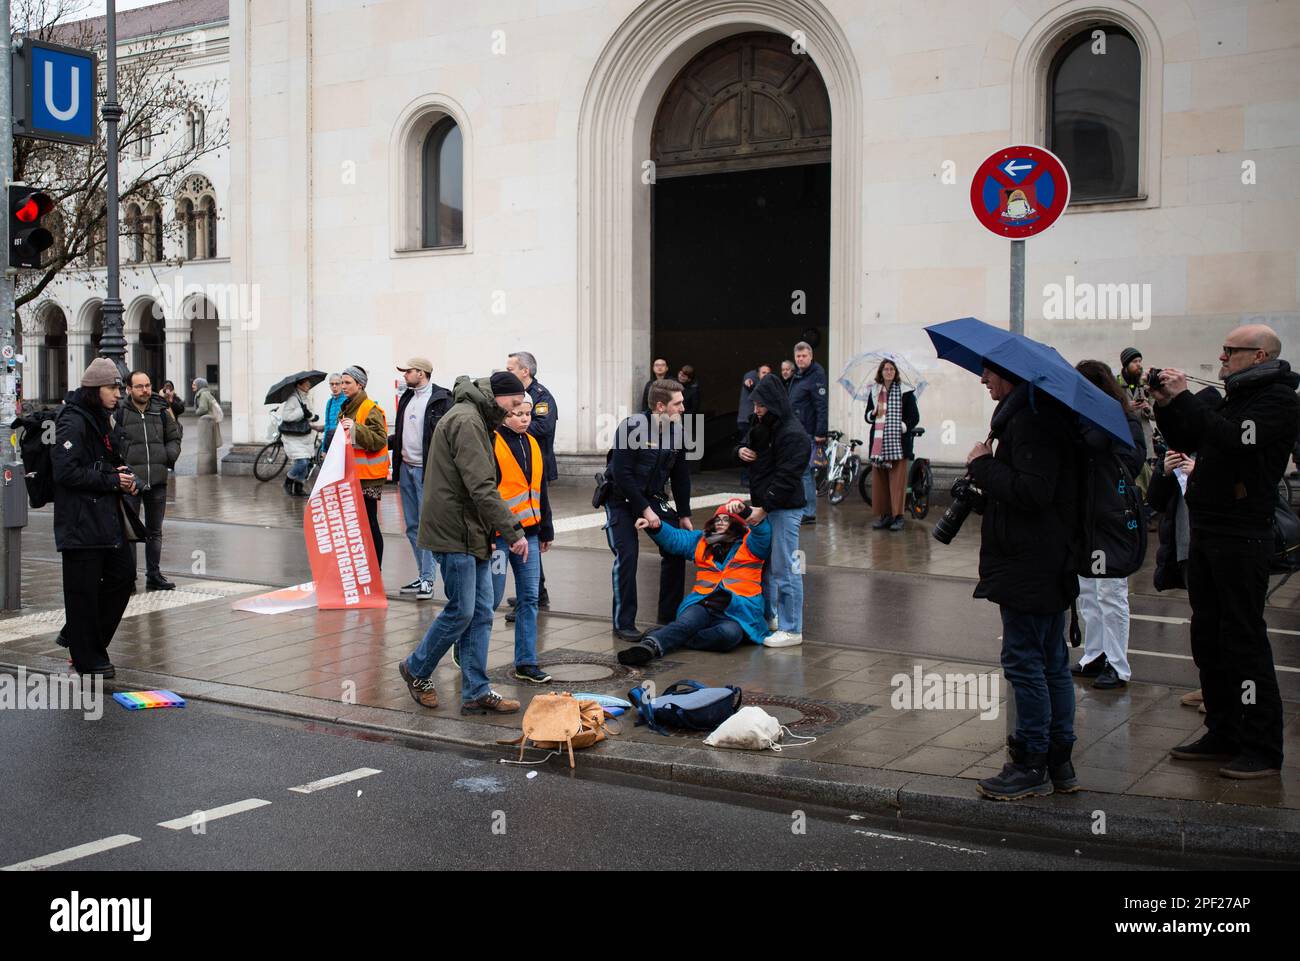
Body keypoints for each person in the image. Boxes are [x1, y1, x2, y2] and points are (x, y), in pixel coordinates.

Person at [1152, 324, 1299, 779]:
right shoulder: (1237, 395)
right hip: (1210, 530)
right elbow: (1191, 438)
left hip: (1243, 535)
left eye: (1229, 351)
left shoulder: (1278, 400)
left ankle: (1261, 745)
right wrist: (1167, 406)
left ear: (1259, 356)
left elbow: (1238, 439)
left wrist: (1186, 400)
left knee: (1244, 642)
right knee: (1209, 638)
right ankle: (1223, 730)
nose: (1221, 358)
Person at [965, 361, 1080, 801]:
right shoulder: (1039, 416)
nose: (982, 380)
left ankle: (1030, 764)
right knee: (1051, 663)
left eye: (989, 372)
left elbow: (1034, 492)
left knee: (1025, 664)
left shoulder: (1031, 421)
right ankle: (1058, 762)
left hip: (1030, 565)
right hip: (1043, 561)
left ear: (1011, 374)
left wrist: (981, 465)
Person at [397, 372, 530, 715]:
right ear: (497, 396)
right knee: (463, 610)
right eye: (514, 404)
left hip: (473, 530)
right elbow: (481, 487)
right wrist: (514, 532)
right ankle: (417, 667)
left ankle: (475, 691)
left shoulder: (478, 415)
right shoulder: (468, 420)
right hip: (453, 530)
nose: (517, 411)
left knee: (482, 611)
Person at [53, 359, 139, 678]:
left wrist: (125, 477)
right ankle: (86, 657)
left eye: (119, 387)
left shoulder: (101, 419)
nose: (118, 394)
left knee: (123, 576)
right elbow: (66, 472)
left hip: (103, 517)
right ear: (93, 390)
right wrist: (111, 480)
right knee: (83, 592)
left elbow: (106, 461)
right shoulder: (73, 421)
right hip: (79, 522)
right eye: (112, 388)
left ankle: (82, 639)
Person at [1070, 359, 1146, 691]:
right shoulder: (1082, 417)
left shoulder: (1119, 415)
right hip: (1086, 512)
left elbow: (1133, 459)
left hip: (1111, 513)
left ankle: (1118, 664)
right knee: (1088, 589)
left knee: (1111, 592)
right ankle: (1095, 654)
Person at [618, 501, 771, 665]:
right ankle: (649, 647)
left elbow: (762, 532)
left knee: (728, 636)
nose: (720, 522)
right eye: (717, 519)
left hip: (738, 612)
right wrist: (655, 526)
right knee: (686, 623)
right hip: (702, 604)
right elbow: (674, 538)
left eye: (726, 519)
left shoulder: (751, 543)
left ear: (737, 523)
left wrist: (746, 511)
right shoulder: (701, 540)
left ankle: (673, 636)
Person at [605, 378, 694, 640]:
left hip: (653, 497)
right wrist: (644, 509)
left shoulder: (677, 431)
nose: (683, 408)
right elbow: (621, 474)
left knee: (675, 550)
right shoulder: (632, 427)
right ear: (659, 406)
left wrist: (685, 514)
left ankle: (669, 618)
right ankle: (624, 624)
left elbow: (680, 476)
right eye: (677, 404)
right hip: (621, 498)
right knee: (627, 556)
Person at [737, 372, 809, 647]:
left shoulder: (792, 433)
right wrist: (740, 451)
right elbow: (747, 443)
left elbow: (787, 476)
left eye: (761, 405)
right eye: (755, 404)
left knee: (786, 567)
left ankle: (792, 629)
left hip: (782, 509)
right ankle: (773, 618)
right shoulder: (765, 424)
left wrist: (764, 508)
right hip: (766, 506)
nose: (756, 410)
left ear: (774, 404)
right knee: (767, 567)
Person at [490, 399, 554, 684]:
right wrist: (491, 535)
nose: (525, 419)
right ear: (504, 417)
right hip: (501, 536)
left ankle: (526, 663)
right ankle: (465, 647)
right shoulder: (492, 442)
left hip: (528, 533)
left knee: (529, 598)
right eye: (518, 415)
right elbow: (486, 492)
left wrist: (545, 530)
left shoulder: (533, 444)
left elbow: (540, 489)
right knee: (490, 599)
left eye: (528, 414)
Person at [389, 358, 452, 600]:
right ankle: (422, 574)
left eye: (408, 371)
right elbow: (405, 433)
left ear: (421, 373)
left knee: (427, 526)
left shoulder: (441, 399)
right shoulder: (408, 398)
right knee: (413, 526)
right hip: (406, 468)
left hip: (428, 471)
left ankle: (428, 579)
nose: (404, 375)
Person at [504, 351, 556, 614]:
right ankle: (534, 590)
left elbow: (543, 427)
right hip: (516, 469)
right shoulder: (513, 397)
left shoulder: (540, 395)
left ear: (525, 371)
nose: (507, 371)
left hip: (535, 467)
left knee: (532, 531)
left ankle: (536, 592)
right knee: (525, 532)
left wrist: (517, 429)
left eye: (511, 368)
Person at [120, 370, 182, 590]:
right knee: (129, 531)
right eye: (139, 386)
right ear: (129, 389)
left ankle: (153, 575)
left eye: (147, 385)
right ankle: (128, 577)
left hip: (157, 480)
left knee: (154, 531)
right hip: (130, 482)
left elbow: (174, 436)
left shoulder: (161, 409)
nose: (145, 390)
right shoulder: (120, 412)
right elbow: (111, 441)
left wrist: (168, 456)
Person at [337, 366, 390, 566]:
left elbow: (379, 439)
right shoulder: (347, 407)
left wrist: (356, 428)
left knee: (369, 523)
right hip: (353, 475)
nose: (343, 386)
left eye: (347, 382)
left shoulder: (369, 408)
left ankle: (376, 570)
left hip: (368, 476)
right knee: (356, 526)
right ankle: (362, 569)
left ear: (360, 385)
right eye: (342, 382)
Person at [865, 358, 920, 531]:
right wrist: (872, 413)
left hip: (898, 443)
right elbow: (867, 417)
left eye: (891, 369)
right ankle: (885, 516)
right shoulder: (874, 392)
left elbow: (914, 416)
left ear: (895, 372)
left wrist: (903, 426)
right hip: (878, 445)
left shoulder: (905, 392)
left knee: (897, 483)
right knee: (880, 483)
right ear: (880, 372)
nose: (888, 372)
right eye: (885, 369)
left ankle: (898, 516)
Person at [787, 341, 828, 525]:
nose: (801, 359)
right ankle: (802, 508)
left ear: (811, 356)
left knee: (805, 473)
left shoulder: (816, 376)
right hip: (797, 431)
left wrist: (820, 432)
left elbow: (821, 406)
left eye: (804, 356)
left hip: (808, 432)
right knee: (801, 472)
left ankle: (809, 512)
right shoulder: (798, 375)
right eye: (798, 356)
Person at [1117, 347, 1154, 493]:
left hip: (1145, 440)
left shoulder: (1146, 385)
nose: (1139, 364)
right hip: (1126, 439)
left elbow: (1156, 413)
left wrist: (1147, 408)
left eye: (1140, 361)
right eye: (1134, 361)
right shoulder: (1115, 383)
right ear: (1125, 365)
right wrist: (1127, 408)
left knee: (1147, 483)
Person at [279, 377, 321, 497]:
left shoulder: (305, 397)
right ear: (299, 385)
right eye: (306, 383)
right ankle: (288, 481)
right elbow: (287, 416)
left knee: (307, 463)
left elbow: (308, 413)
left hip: (304, 436)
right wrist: (301, 412)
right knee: (302, 462)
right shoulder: (293, 399)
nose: (309, 385)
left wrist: (313, 417)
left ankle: (299, 488)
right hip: (293, 436)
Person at [320, 374, 346, 453]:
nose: (334, 386)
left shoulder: (347, 400)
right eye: (332, 384)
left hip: (343, 443)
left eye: (337, 384)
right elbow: (327, 426)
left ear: (342, 385)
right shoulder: (330, 402)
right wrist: (324, 449)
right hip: (330, 441)